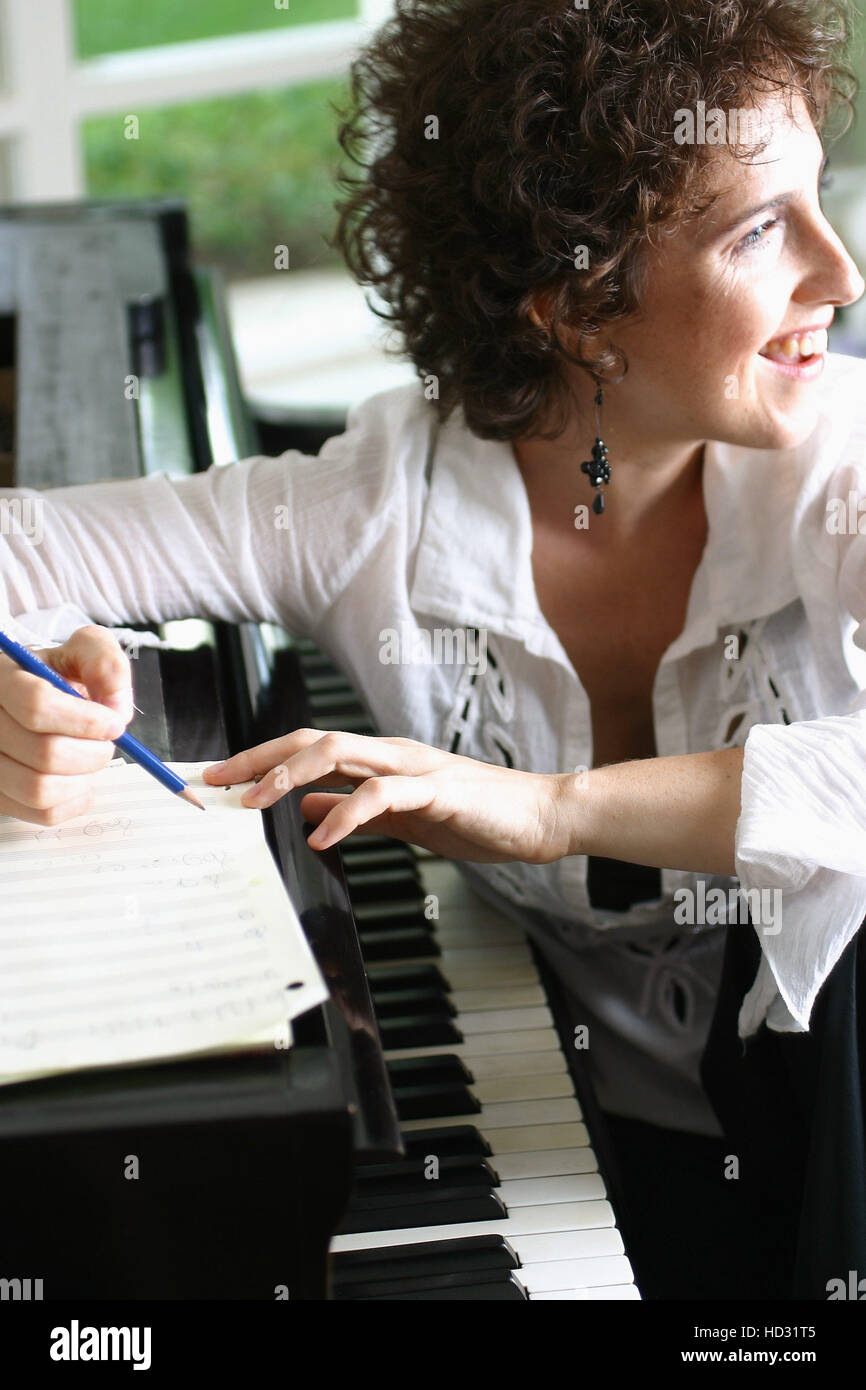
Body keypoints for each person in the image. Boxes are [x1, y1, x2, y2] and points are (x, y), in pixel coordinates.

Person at [1, 0, 865, 1298]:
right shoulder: (373, 514)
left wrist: (549, 807)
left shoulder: (837, 465)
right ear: (577, 305)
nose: (840, 272)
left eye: (817, 197)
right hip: (608, 1148)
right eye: (758, 228)